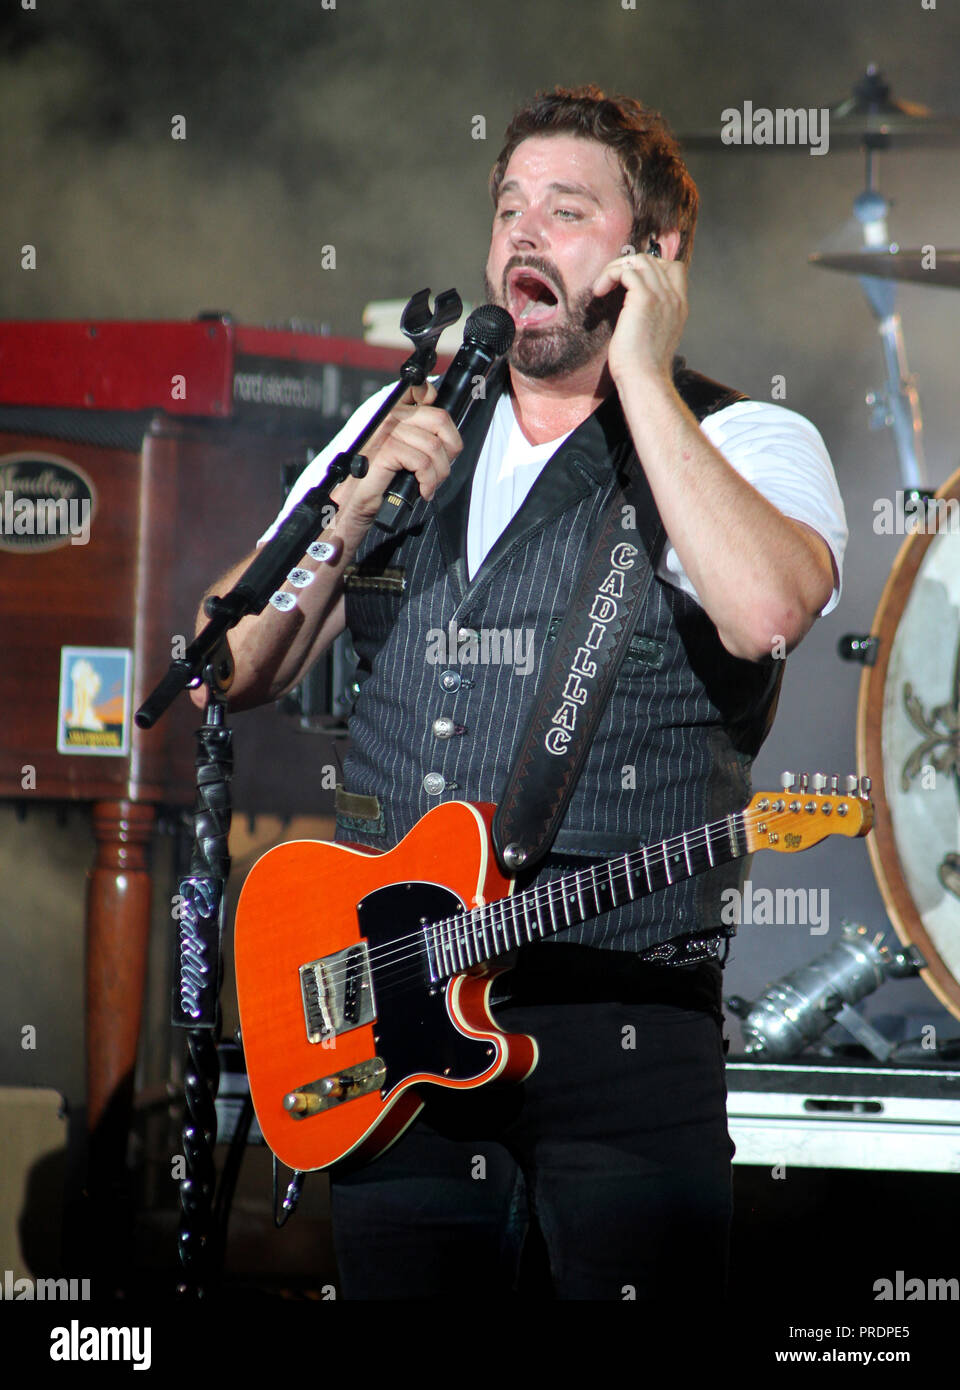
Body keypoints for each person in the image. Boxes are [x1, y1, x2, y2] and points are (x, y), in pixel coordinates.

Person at [196, 85, 846, 1302]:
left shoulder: (748, 440)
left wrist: (645, 379)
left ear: (654, 257)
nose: (525, 237)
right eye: (509, 208)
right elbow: (223, 666)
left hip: (623, 1039)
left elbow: (766, 610)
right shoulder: (404, 433)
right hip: (392, 1036)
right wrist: (343, 514)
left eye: (567, 209)